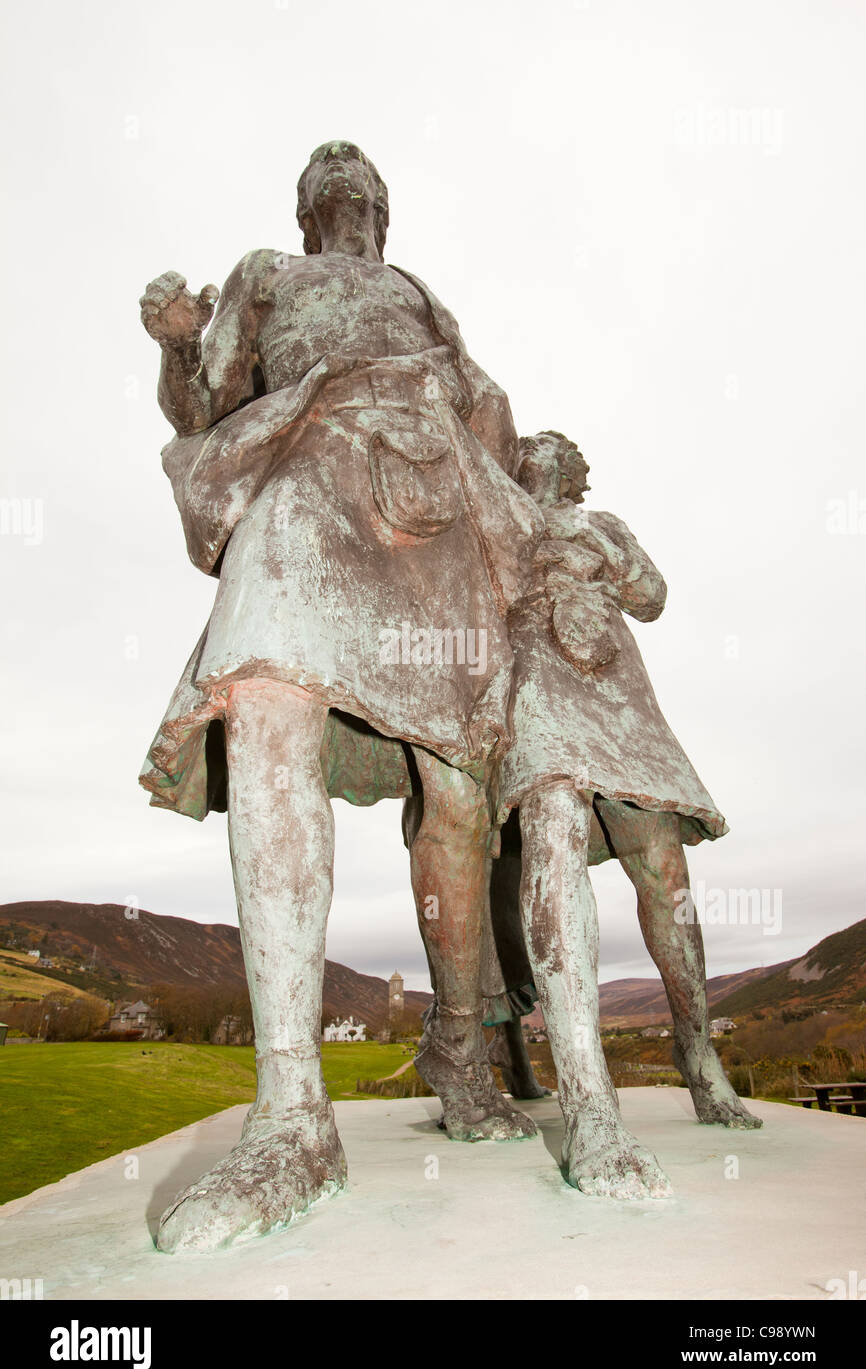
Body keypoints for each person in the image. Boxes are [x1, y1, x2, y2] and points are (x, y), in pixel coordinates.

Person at [139, 142, 541, 1252]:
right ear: (309, 211)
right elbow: (204, 404)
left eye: (360, 182)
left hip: (432, 488)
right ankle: (291, 1115)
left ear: (383, 213)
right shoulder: (268, 271)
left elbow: (484, 406)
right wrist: (179, 346)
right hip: (305, 467)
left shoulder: (419, 296)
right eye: (329, 181)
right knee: (260, 686)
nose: (345, 188)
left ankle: (459, 1048)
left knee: (459, 793)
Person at [485, 431, 759, 1199]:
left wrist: (590, 555)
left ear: (574, 475)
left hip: (614, 682)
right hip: (532, 672)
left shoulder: (604, 524)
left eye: (553, 451)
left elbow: (654, 595)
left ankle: (698, 1052)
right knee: (553, 833)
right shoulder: (496, 511)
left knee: (663, 863)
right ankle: (590, 1108)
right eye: (529, 449)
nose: (537, 455)